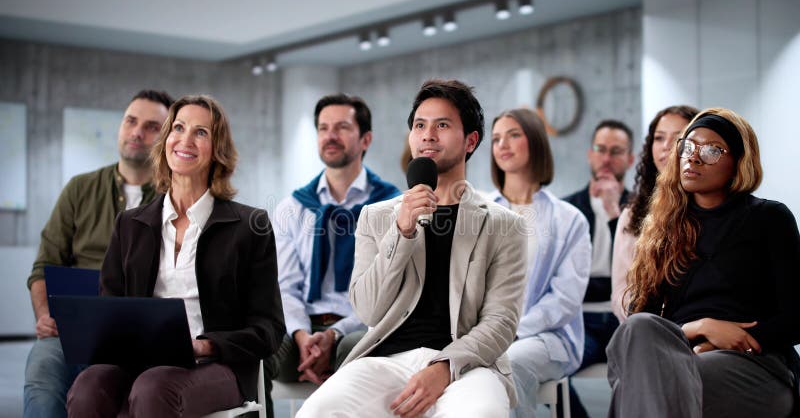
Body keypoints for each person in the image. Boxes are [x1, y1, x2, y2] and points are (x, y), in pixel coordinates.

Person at [296, 79, 527, 418]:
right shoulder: (377, 217)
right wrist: (401, 231)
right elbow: (368, 311)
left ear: (471, 140)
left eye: (442, 125)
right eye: (420, 125)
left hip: (468, 364)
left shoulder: (504, 225)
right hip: (385, 359)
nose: (427, 135)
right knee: (317, 411)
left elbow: (501, 321)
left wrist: (443, 367)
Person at [65, 95, 286, 417]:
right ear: (166, 139)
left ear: (217, 149)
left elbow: (269, 328)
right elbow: (109, 306)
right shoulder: (129, 224)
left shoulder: (249, 226)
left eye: (201, 132)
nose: (185, 140)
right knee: (88, 385)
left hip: (218, 366)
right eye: (178, 128)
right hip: (140, 362)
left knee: (154, 387)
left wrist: (206, 345)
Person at [607, 107, 800, 417]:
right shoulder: (664, 227)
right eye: (689, 146)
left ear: (738, 162)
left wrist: (738, 339)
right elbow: (639, 318)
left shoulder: (769, 218)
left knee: (637, 385)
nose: (693, 157)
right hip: (679, 354)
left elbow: (795, 317)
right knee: (640, 330)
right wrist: (700, 329)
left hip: (754, 364)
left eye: (712, 150)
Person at [23, 89, 173, 418]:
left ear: (166, 138)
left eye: (151, 127)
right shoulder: (80, 189)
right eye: (131, 121)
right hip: (73, 329)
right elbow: (43, 266)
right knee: (43, 376)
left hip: (143, 334)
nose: (137, 132)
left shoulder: (175, 198)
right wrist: (45, 315)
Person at [269, 93, 400, 388]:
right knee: (261, 348)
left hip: (362, 325)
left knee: (351, 350)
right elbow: (285, 286)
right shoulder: (293, 207)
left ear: (365, 140)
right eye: (323, 128)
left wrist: (334, 334)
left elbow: (389, 290)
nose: (330, 136)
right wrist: (303, 336)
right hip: (304, 325)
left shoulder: (392, 207)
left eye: (342, 127)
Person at [488, 108, 591, 417]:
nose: (502, 144)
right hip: (485, 333)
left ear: (535, 142)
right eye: (495, 139)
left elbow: (565, 299)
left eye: (513, 135)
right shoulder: (479, 212)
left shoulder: (569, 219)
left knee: (509, 363)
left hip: (548, 338)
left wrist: (511, 332)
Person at [562, 119, 634, 417]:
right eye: (600, 149)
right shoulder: (567, 209)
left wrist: (615, 212)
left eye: (616, 151)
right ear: (590, 154)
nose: (606, 158)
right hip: (582, 322)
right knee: (553, 368)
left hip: (626, 321)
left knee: (643, 375)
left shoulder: (644, 208)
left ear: (630, 159)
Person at [610, 105, 698, 321]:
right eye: (659, 138)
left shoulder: (709, 207)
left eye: (678, 137)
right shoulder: (633, 215)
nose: (666, 147)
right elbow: (621, 291)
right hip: (649, 329)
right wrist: (652, 320)